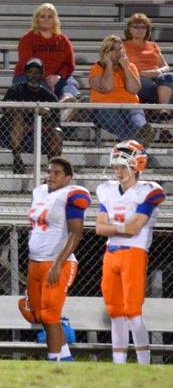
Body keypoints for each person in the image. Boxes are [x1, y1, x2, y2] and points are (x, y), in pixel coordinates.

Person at [95, 140, 165, 365]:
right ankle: (119, 363)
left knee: (133, 312)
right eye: (116, 166)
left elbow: (136, 228)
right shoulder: (107, 190)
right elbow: (99, 228)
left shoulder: (148, 190)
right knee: (115, 311)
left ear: (137, 166)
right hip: (111, 253)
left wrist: (115, 227)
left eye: (123, 166)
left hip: (134, 253)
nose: (118, 170)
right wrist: (123, 227)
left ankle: (144, 362)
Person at [20, 157, 90, 361]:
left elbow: (75, 233)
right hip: (36, 261)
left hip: (57, 262)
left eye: (56, 172)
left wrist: (59, 263)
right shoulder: (39, 192)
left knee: (50, 315)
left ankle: (54, 360)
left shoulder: (71, 195)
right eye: (49, 171)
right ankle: (65, 356)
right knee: (37, 314)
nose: (50, 175)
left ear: (68, 178)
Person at [0, 58, 63, 174]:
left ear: (42, 74)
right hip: (9, 134)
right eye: (30, 72)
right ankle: (17, 160)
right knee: (18, 116)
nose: (33, 75)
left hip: (40, 136)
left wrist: (30, 127)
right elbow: (6, 108)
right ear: (25, 73)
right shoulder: (15, 89)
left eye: (37, 72)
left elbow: (55, 122)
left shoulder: (49, 96)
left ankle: (52, 170)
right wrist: (33, 109)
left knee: (57, 132)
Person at [89, 35, 154, 148]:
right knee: (120, 123)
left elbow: (134, 89)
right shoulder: (97, 68)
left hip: (129, 105)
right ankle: (139, 148)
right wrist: (109, 65)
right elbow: (107, 87)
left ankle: (143, 128)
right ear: (106, 52)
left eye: (120, 48)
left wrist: (126, 67)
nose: (118, 52)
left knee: (136, 113)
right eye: (113, 49)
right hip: (105, 108)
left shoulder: (130, 66)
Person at [13, 3, 80, 103]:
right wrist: (47, 77)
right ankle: (52, 108)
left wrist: (58, 77)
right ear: (37, 20)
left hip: (56, 78)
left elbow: (69, 64)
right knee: (40, 87)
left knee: (71, 83)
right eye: (42, 16)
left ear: (55, 20)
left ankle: (66, 102)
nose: (46, 19)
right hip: (30, 77)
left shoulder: (63, 40)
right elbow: (27, 63)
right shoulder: (27, 39)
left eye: (50, 16)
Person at [123, 13, 173, 117]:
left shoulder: (153, 46)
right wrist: (141, 73)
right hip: (137, 78)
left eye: (143, 27)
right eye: (136, 27)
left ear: (147, 30)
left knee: (169, 77)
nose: (140, 30)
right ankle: (161, 112)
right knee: (165, 89)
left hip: (156, 77)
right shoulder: (123, 47)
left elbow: (166, 67)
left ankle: (162, 109)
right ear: (129, 30)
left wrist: (157, 72)